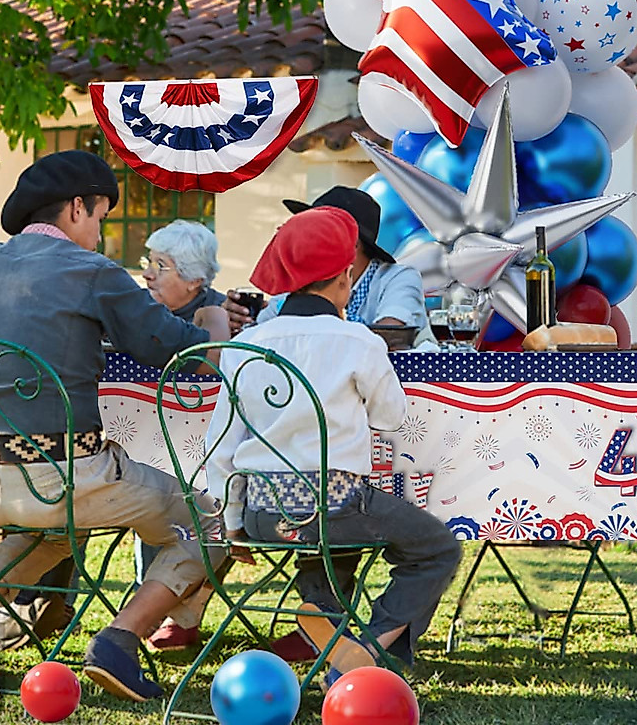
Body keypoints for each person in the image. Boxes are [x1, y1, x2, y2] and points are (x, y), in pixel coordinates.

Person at [0, 150, 233, 701]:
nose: (100, 231)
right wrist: (214, 325)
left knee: (43, 535)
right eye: (99, 216)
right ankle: (119, 642)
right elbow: (173, 350)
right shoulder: (90, 270)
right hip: (65, 476)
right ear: (76, 208)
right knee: (209, 522)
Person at [205, 207, 460, 678]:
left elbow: (220, 445)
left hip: (265, 514)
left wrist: (233, 522)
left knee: (328, 545)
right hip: (337, 507)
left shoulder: (248, 345)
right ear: (345, 277)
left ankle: (323, 618)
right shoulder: (358, 341)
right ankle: (365, 651)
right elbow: (390, 418)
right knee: (437, 548)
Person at [137, 220, 228, 653]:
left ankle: (175, 611)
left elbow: (212, 364)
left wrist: (216, 321)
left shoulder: (218, 311)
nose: (148, 274)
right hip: (143, 439)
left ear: (194, 279)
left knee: (202, 504)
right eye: (148, 262)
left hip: (209, 449)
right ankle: (154, 603)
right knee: (149, 487)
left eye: (161, 266)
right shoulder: (136, 307)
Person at [264, 186, 430, 342]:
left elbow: (390, 335)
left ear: (353, 243)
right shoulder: (302, 275)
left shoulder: (398, 278)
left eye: (317, 234)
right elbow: (262, 331)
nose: (304, 240)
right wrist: (242, 318)